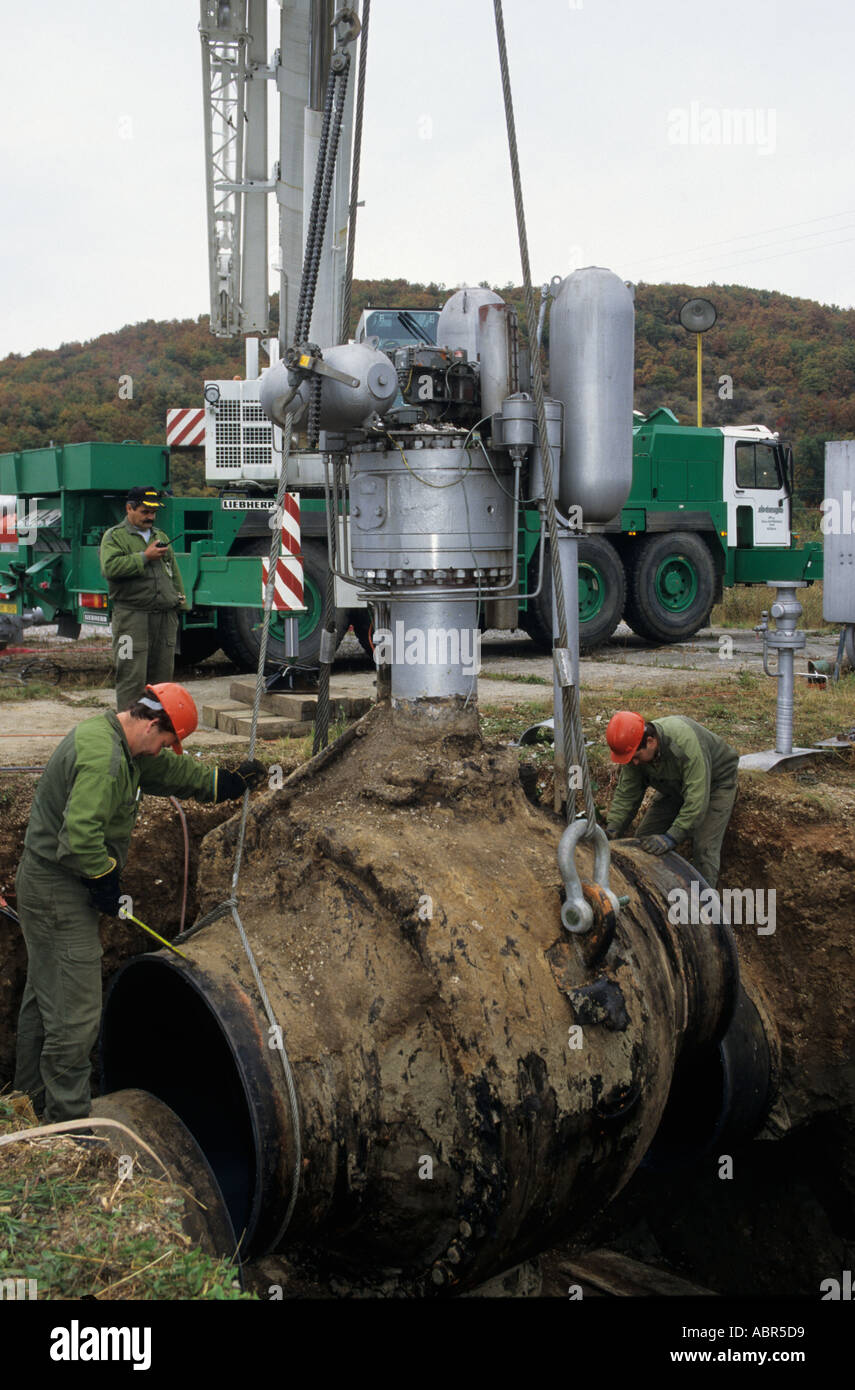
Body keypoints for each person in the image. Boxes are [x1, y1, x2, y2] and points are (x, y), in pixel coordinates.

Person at [13, 683, 265, 1124]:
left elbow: (168, 772)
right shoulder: (107, 763)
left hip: (50, 883)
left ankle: (27, 1105)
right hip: (58, 890)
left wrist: (221, 783)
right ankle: (70, 1129)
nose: (162, 751)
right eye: (165, 741)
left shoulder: (120, 742)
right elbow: (78, 840)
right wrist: (104, 877)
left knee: (45, 995)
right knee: (75, 1016)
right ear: (151, 723)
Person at [604, 710, 739, 889]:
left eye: (636, 757)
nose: (634, 763)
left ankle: (705, 908)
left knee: (704, 849)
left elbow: (696, 800)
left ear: (650, 741)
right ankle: (656, 892)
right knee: (643, 841)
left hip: (715, 783)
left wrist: (672, 837)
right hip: (674, 786)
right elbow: (627, 793)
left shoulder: (684, 745)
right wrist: (612, 829)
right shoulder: (634, 751)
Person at [100, 486, 187, 712]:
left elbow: (172, 570)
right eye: (145, 511)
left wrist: (180, 600)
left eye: (153, 512)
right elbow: (110, 568)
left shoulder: (161, 536)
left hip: (164, 617)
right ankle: (129, 733)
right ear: (129, 509)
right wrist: (144, 557)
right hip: (132, 617)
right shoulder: (115, 537)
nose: (150, 516)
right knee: (131, 676)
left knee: (162, 680)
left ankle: (157, 733)